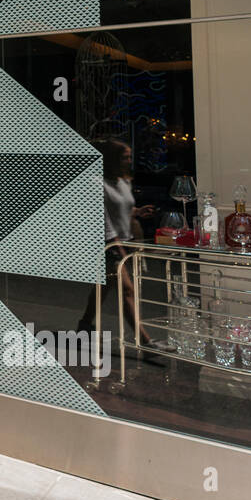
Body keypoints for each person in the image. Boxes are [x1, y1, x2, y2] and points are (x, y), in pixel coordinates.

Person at [79, 138, 158, 352]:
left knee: (103, 287)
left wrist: (137, 212)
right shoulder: (96, 183)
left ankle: (84, 325)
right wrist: (117, 247)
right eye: (125, 157)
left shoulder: (124, 181)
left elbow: (121, 210)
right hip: (107, 245)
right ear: (112, 159)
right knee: (127, 290)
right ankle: (145, 340)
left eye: (129, 156)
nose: (129, 160)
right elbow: (102, 220)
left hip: (125, 241)